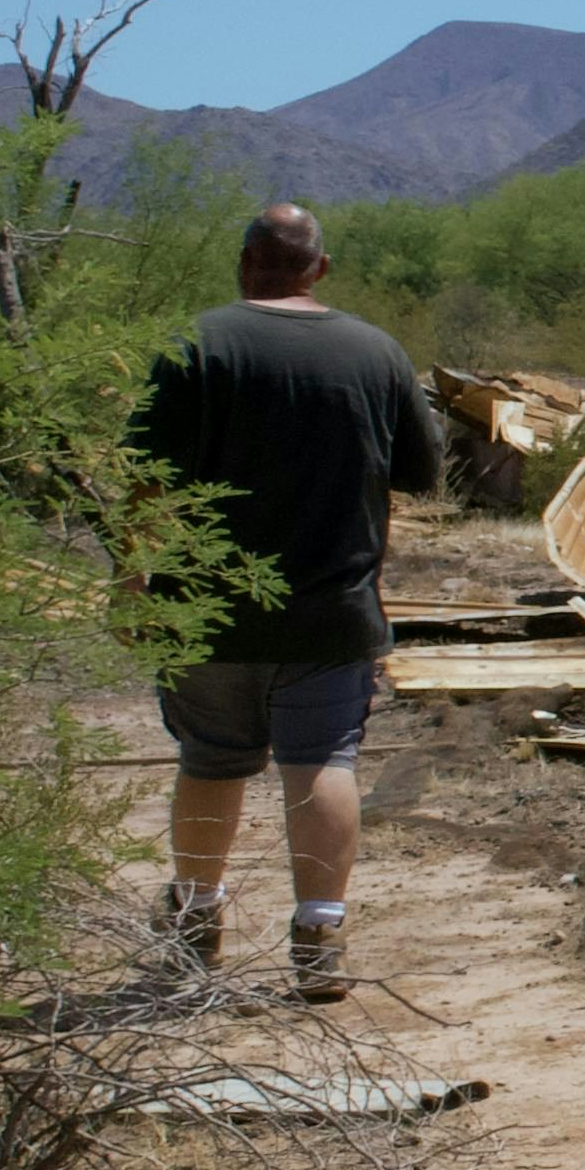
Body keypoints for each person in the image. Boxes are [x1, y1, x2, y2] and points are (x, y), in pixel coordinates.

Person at [128, 204, 444, 996]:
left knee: (210, 760)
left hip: (208, 610)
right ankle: (319, 938)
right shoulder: (376, 352)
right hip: (332, 611)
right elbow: (420, 471)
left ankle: (198, 920)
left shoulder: (197, 344)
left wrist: (129, 583)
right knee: (323, 763)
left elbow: (143, 480)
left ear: (243, 263)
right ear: (320, 269)